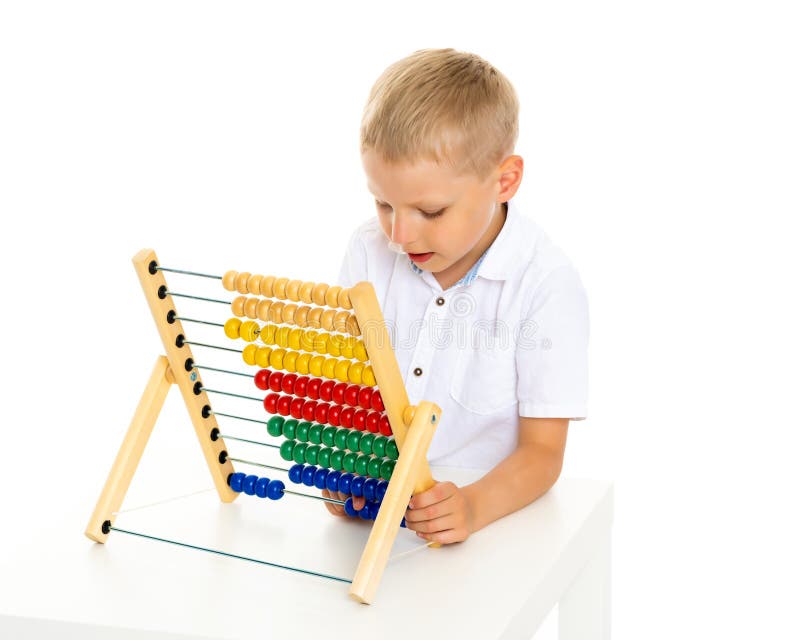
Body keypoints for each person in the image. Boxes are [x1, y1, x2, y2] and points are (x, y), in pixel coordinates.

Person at [322, 48, 589, 545]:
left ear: (504, 181)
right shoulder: (368, 250)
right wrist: (343, 473)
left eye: (431, 210)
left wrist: (471, 506)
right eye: (383, 203)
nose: (399, 235)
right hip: (379, 528)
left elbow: (543, 453)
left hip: (492, 525)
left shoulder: (544, 284)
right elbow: (353, 394)